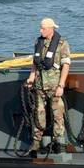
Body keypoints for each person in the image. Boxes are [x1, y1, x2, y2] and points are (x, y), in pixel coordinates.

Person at [23, 17, 72, 155]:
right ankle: (37, 143)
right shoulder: (38, 42)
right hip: (39, 85)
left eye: (43, 28)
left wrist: (61, 85)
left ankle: (60, 144)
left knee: (57, 114)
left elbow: (66, 65)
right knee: (38, 114)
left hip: (54, 85)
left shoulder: (62, 43)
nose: (40, 30)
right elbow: (35, 63)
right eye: (40, 28)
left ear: (51, 29)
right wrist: (31, 77)